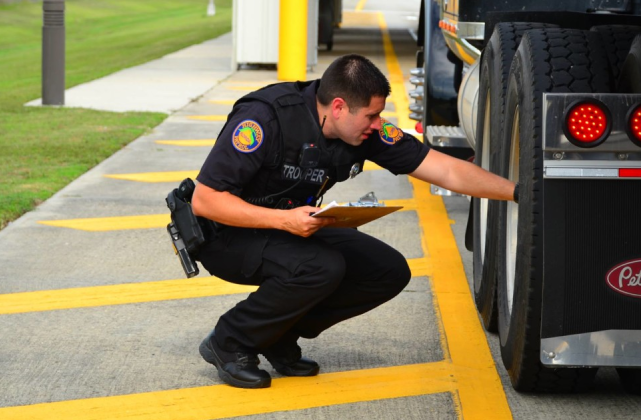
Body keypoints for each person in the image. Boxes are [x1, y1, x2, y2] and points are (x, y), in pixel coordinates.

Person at [191, 54, 515, 389]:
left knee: (387, 270)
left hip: (289, 225)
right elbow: (205, 200)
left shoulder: (364, 131)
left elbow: (446, 170)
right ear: (339, 107)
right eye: (372, 115)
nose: (378, 124)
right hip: (227, 234)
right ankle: (230, 340)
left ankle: (275, 333)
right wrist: (284, 220)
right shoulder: (264, 118)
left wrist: (518, 192)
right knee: (321, 265)